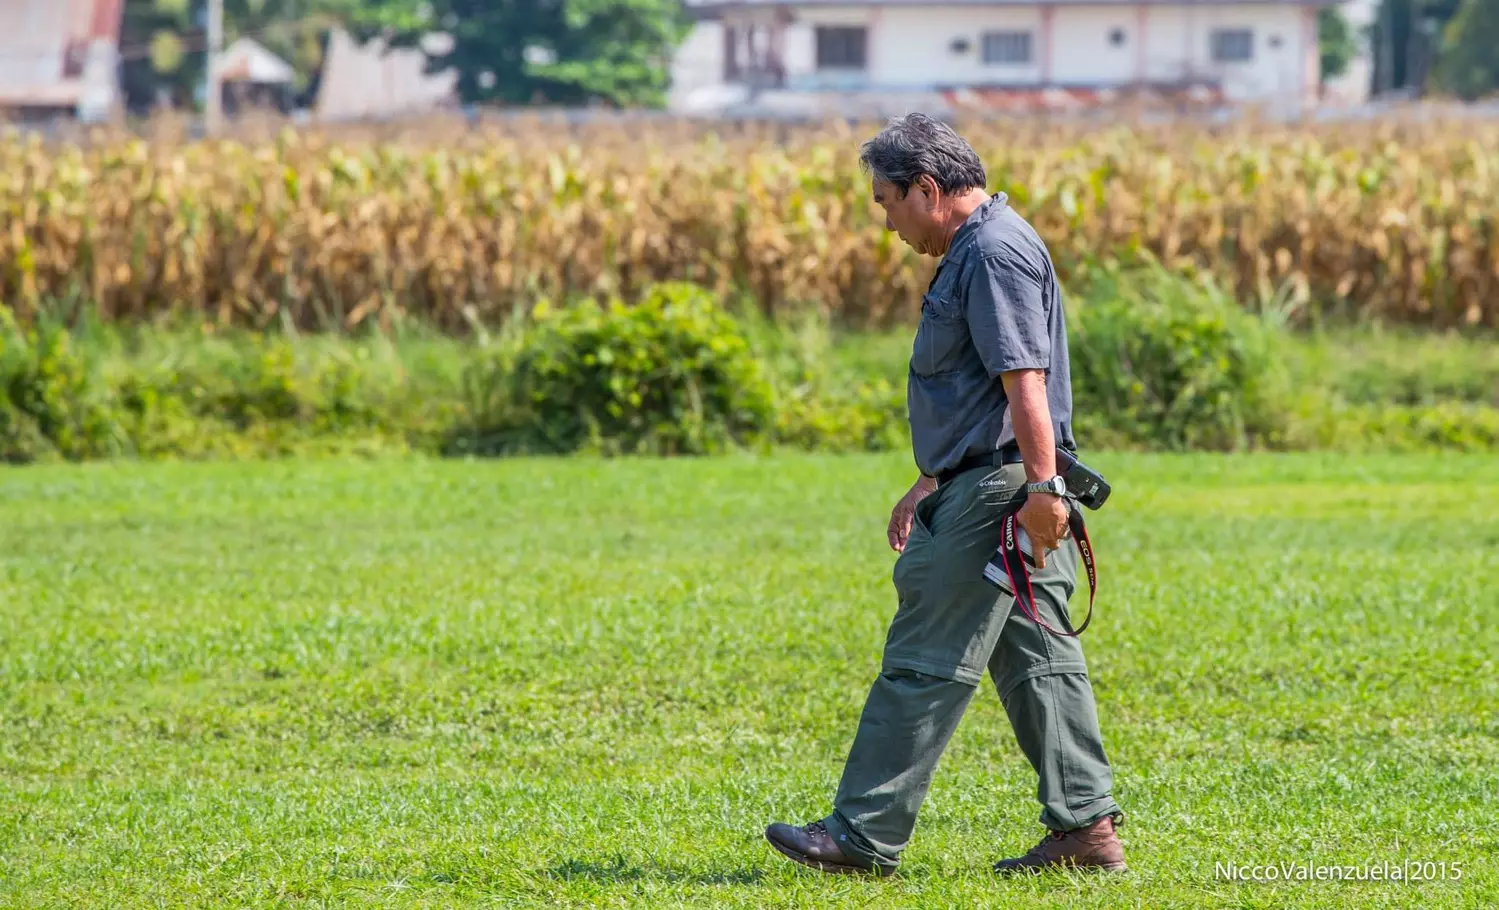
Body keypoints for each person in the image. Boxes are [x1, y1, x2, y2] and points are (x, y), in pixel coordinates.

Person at [764, 113, 1126, 877]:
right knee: (1039, 658)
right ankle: (1085, 830)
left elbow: (1021, 379)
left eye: (885, 201)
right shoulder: (986, 245)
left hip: (1002, 496)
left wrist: (1040, 489)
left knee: (925, 660)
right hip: (997, 481)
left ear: (926, 189)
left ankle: (861, 837)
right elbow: (980, 390)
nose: (885, 221)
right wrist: (932, 476)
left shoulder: (990, 253)